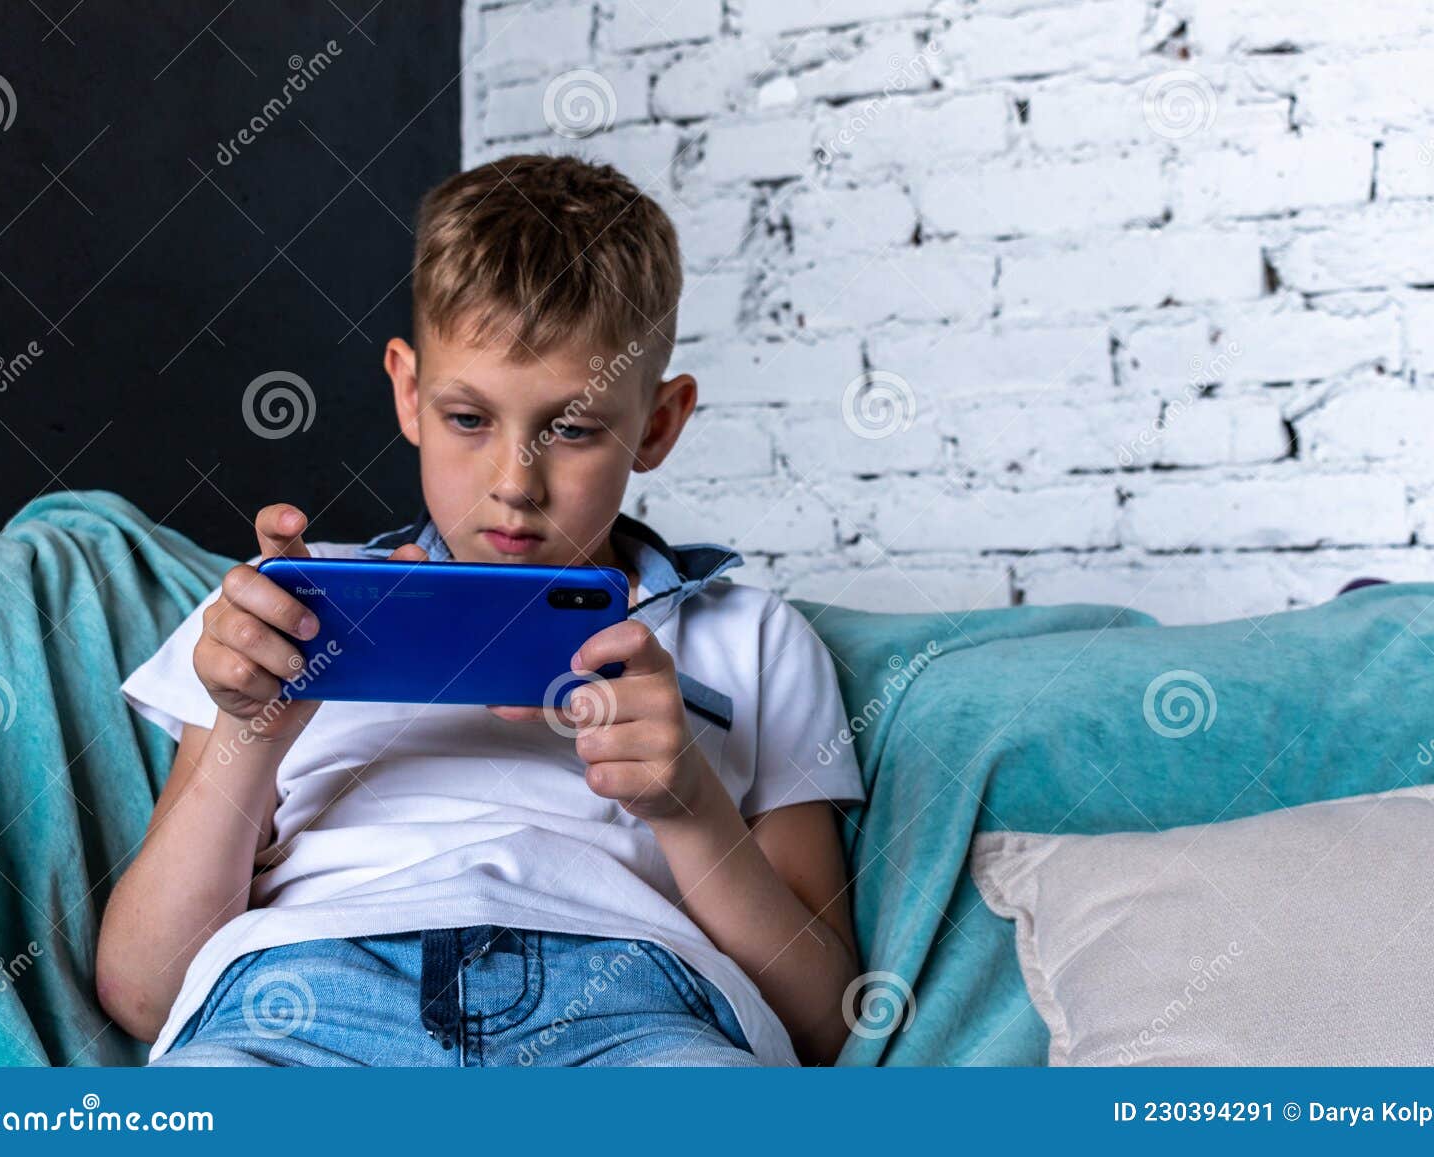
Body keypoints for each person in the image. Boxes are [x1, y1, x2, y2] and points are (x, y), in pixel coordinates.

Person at [94, 154, 865, 1067]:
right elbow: (145, 990)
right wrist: (252, 733)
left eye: (572, 429)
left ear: (657, 424)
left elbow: (822, 1018)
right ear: (409, 392)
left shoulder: (754, 641)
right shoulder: (278, 611)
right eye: (469, 418)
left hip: (632, 1010)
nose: (514, 485)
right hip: (304, 996)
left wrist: (691, 807)